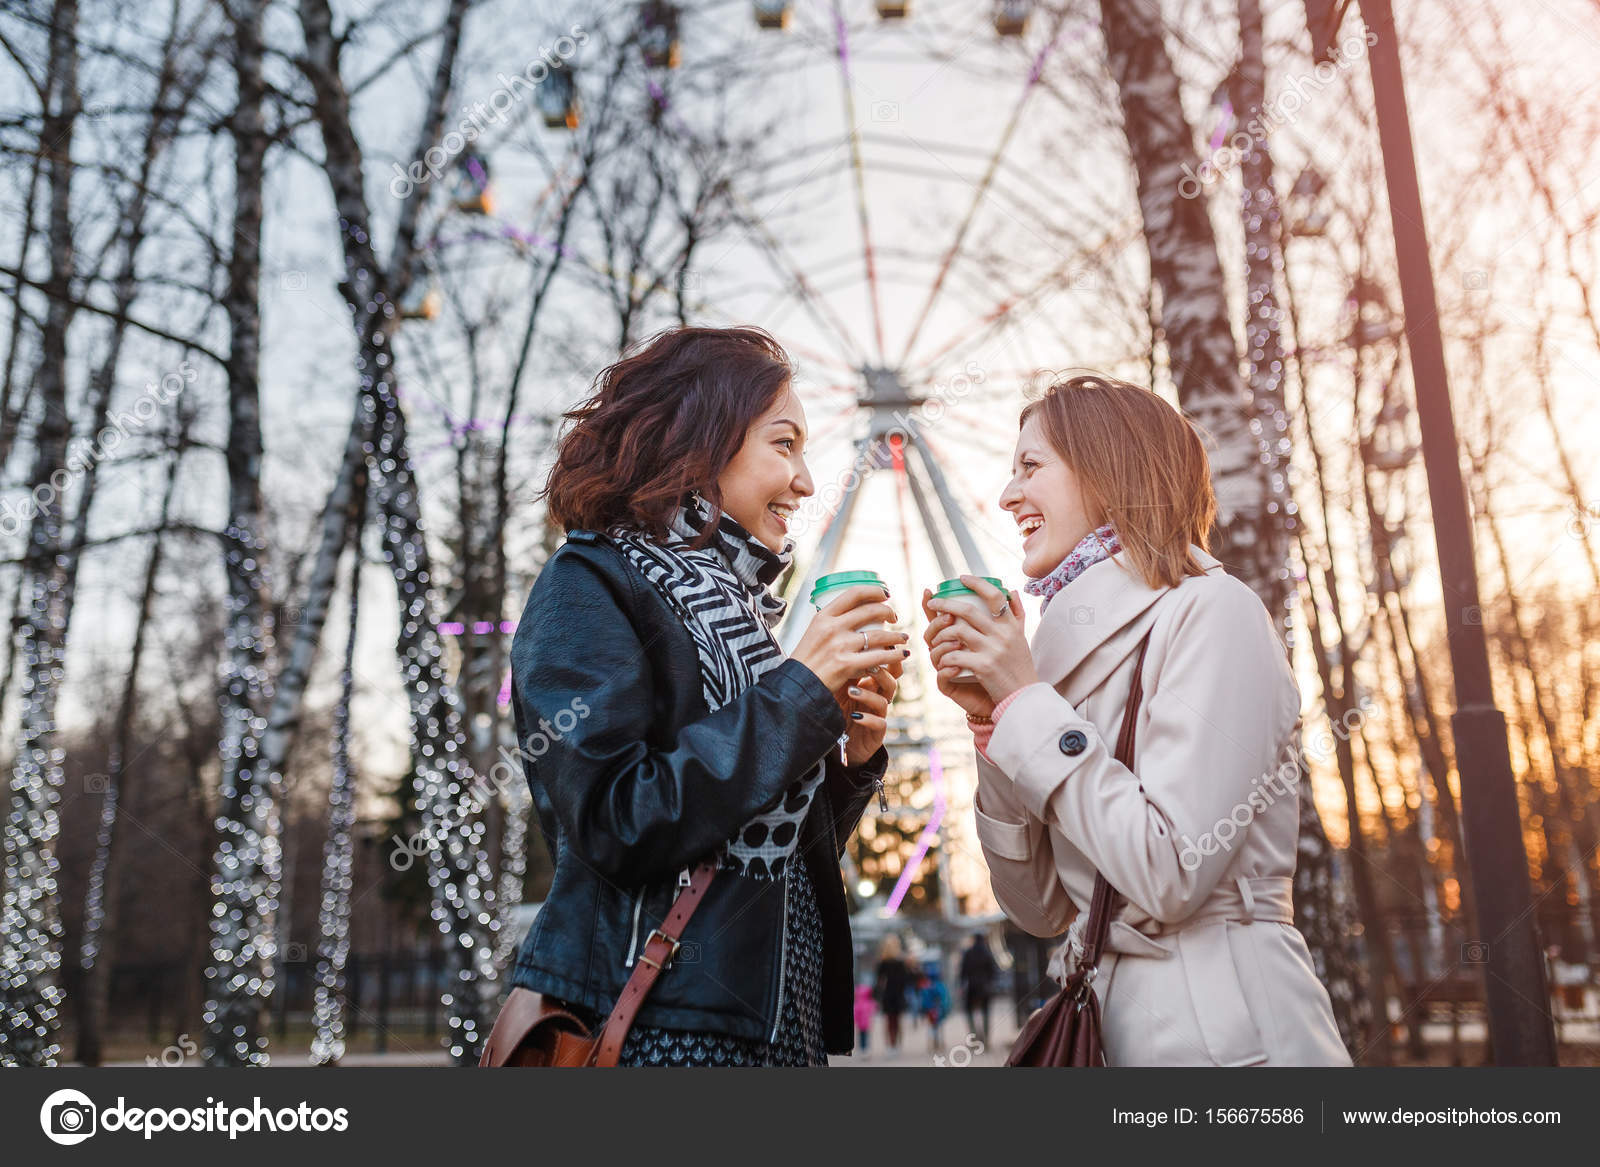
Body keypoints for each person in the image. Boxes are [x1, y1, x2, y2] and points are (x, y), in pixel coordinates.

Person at [506, 326, 909, 1066]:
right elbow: (616, 823)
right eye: (783, 445)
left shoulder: (746, 620)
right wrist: (797, 693)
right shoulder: (589, 585)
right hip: (656, 1035)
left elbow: (766, 861)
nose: (808, 481)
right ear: (700, 441)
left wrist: (850, 759)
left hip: (776, 1036)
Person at [922, 374, 1351, 1067]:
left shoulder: (1215, 613)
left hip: (1224, 1035)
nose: (1007, 495)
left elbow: (1171, 871)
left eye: (1031, 466)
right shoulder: (1053, 657)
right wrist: (993, 722)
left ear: (1106, 469)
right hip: (1106, 1022)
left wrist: (1025, 704)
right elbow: (1037, 909)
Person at [958, 933, 998, 1046]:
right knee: (986, 1012)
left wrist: (961, 984)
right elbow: (993, 971)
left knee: (969, 1011)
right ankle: (986, 1038)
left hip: (972, 987)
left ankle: (974, 1035)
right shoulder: (987, 953)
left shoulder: (968, 953)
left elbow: (963, 971)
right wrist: (990, 982)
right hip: (985, 987)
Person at [874, 934, 911, 1051]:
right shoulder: (901, 962)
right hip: (898, 994)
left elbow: (879, 981)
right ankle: (897, 1044)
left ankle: (891, 1045)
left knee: (889, 1021)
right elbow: (906, 980)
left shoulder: (882, 963)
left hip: (888, 994)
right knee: (897, 1020)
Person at [853, 982, 877, 1058]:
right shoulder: (869, 1002)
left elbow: (855, 1013)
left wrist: (855, 1021)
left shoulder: (857, 1003)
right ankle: (864, 1049)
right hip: (866, 1024)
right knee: (865, 1036)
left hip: (862, 1025)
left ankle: (863, 1049)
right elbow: (874, 1008)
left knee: (862, 1036)